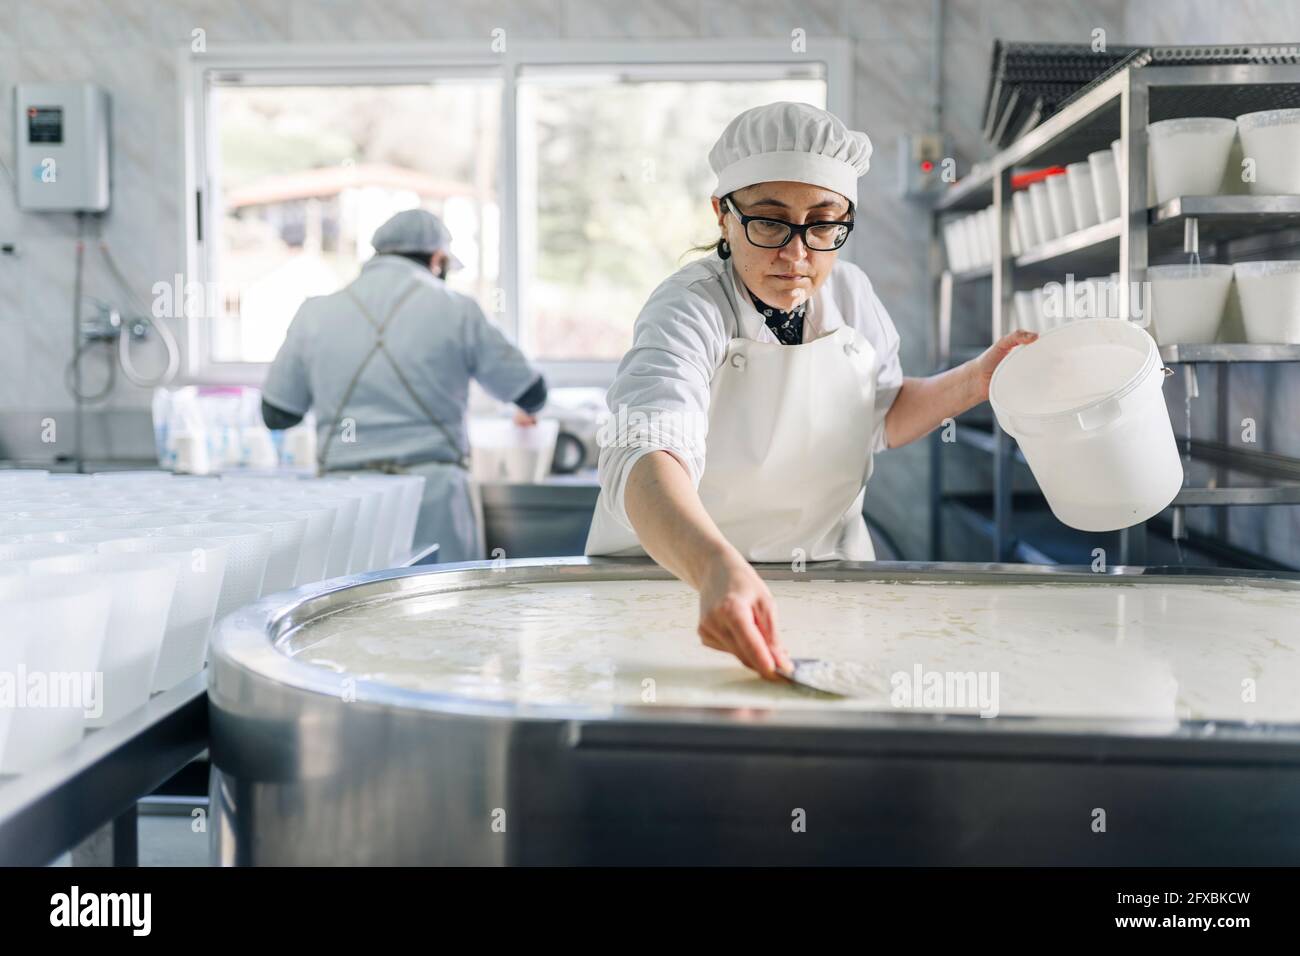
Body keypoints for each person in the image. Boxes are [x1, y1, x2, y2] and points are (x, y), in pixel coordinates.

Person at [585, 102, 1034, 679]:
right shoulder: (689, 306)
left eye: (823, 224)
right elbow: (645, 451)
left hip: (823, 586)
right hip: (674, 587)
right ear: (723, 215)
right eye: (770, 222)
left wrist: (977, 379)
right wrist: (716, 566)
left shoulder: (850, 294)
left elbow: (881, 414)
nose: (797, 254)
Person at [262, 208, 545, 563]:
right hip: (433, 498)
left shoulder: (315, 313)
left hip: (346, 500)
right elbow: (531, 392)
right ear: (438, 259)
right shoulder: (458, 310)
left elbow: (277, 414)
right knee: (443, 614)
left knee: (351, 615)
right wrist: (526, 411)